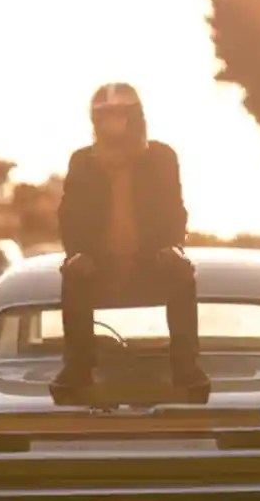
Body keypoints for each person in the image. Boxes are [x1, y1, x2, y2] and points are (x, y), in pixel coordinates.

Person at [51, 82, 209, 394]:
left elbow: (175, 209)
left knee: (182, 272)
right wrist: (77, 253)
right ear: (95, 121)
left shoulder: (162, 157)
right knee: (73, 276)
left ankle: (185, 367)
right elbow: (68, 215)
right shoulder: (82, 161)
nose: (112, 122)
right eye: (105, 116)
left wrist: (173, 246)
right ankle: (78, 368)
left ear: (135, 117)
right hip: (99, 262)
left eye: (120, 114)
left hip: (151, 259)